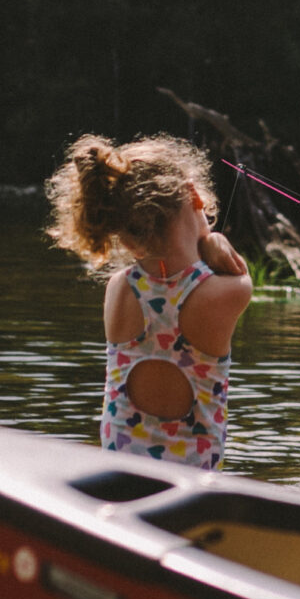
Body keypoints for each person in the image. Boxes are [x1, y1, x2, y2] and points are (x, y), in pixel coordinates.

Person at [46, 133, 253, 470]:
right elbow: (239, 274)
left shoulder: (119, 288)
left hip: (118, 470)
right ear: (194, 193)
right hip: (190, 482)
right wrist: (215, 241)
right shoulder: (225, 293)